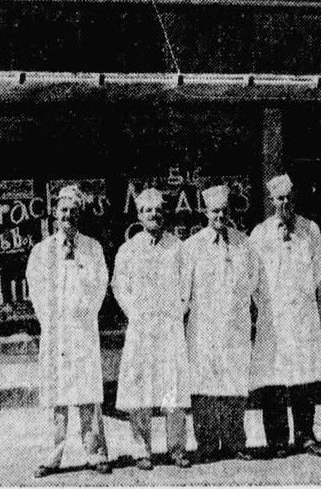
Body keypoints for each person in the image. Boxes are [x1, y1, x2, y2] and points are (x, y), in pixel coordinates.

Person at [24, 185, 112, 477]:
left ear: (80, 214)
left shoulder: (93, 248)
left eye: (74, 211)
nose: (68, 216)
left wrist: (84, 312)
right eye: (63, 210)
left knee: (88, 393)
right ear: (54, 213)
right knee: (56, 396)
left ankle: (95, 453)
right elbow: (35, 289)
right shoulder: (42, 251)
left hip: (83, 330)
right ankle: (51, 458)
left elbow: (100, 285)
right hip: (56, 332)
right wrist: (51, 320)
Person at [112, 187, 192, 470]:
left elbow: (187, 286)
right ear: (139, 215)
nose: (153, 214)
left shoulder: (177, 247)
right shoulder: (129, 248)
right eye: (147, 210)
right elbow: (119, 286)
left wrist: (176, 312)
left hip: (169, 327)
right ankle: (141, 449)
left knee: (172, 389)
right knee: (140, 391)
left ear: (164, 213)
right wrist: (136, 313)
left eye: (158, 209)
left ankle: (177, 448)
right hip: (142, 329)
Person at [249, 173, 321, 457]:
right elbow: (253, 275)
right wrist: (267, 305)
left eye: (289, 197)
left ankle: (305, 436)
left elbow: (319, 267)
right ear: (272, 202)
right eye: (280, 198)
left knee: (303, 377)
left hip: (302, 313)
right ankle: (278, 440)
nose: (285, 203)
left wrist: (302, 295)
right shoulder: (260, 233)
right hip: (273, 317)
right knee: (275, 379)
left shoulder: (310, 229)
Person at [183, 184, 260, 462]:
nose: (220, 216)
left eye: (224, 211)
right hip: (203, 328)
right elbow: (184, 290)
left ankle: (234, 443)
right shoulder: (192, 246)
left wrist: (237, 308)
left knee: (233, 386)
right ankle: (206, 445)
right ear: (205, 212)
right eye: (215, 211)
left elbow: (253, 280)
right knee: (204, 387)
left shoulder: (244, 243)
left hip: (235, 327)